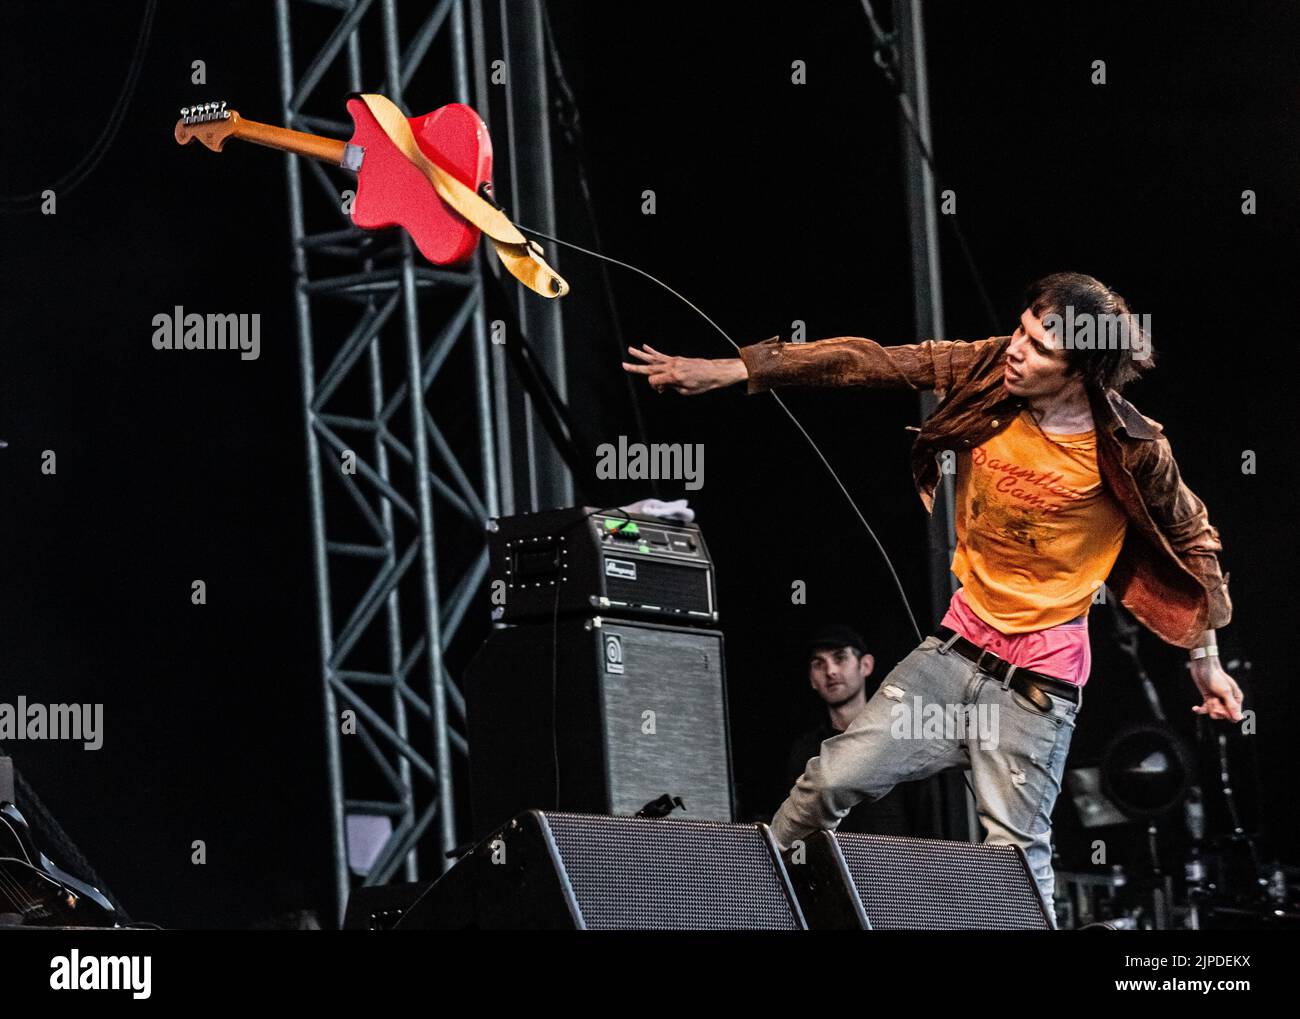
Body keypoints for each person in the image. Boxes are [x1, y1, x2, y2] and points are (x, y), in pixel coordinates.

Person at [623, 271, 1244, 927]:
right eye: (1021, 331)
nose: (1016, 350)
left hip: (1037, 683)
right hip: (952, 654)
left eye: (1038, 348)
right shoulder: (984, 370)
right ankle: (738, 903)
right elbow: (872, 362)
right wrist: (738, 368)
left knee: (1015, 857)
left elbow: (1192, 538)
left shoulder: (1133, 446)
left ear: (1079, 373)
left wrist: (1205, 655)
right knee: (828, 781)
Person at [787, 625, 936, 838]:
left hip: (896, 867)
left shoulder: (900, 741)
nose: (831, 671)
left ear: (865, 665)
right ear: (812, 679)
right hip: (830, 869)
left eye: (840, 658)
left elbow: (927, 828)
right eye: (819, 664)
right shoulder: (805, 751)